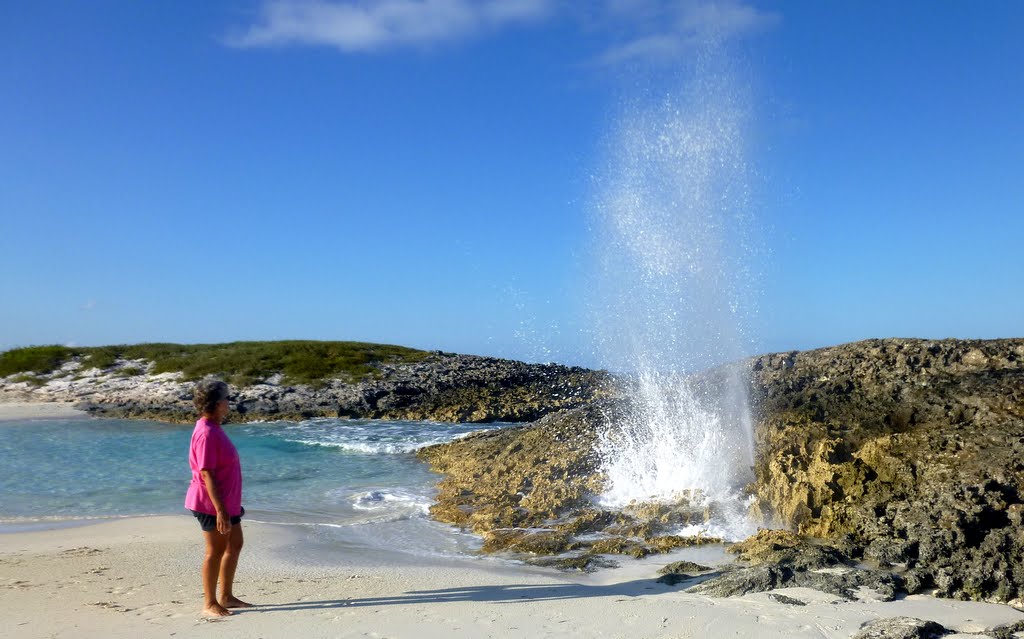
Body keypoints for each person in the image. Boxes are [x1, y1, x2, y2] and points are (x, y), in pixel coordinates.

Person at [184, 378, 252, 617]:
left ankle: (226, 596)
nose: (229, 402)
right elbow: (206, 473)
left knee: (235, 544)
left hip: (227, 502)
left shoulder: (215, 428)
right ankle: (210, 602)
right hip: (211, 504)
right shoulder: (206, 432)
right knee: (215, 550)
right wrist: (220, 510)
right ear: (216, 403)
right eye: (226, 398)